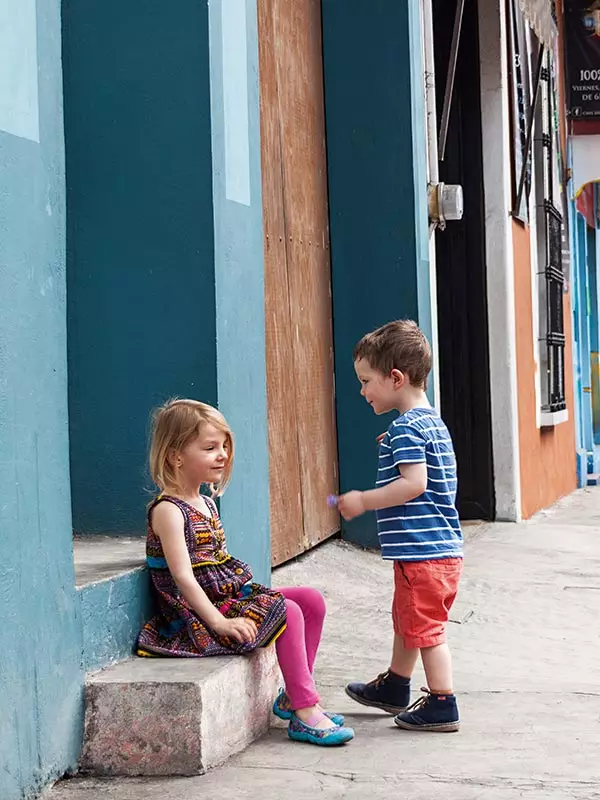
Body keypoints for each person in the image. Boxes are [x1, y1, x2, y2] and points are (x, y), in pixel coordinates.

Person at [137, 398, 353, 746]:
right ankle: (305, 712)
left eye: (224, 446)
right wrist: (219, 623)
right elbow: (183, 579)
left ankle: (292, 696)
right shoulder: (168, 511)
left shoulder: (205, 503)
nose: (222, 454)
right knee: (287, 609)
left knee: (311, 601)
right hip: (195, 616)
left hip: (226, 597)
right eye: (209, 447)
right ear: (176, 456)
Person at [337, 320, 463, 732]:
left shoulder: (406, 428)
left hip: (423, 552)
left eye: (366, 381)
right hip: (433, 550)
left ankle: (442, 702)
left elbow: (414, 484)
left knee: (426, 630)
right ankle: (395, 684)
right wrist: (392, 444)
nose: (362, 391)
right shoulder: (428, 423)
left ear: (395, 378)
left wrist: (362, 500)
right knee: (408, 621)